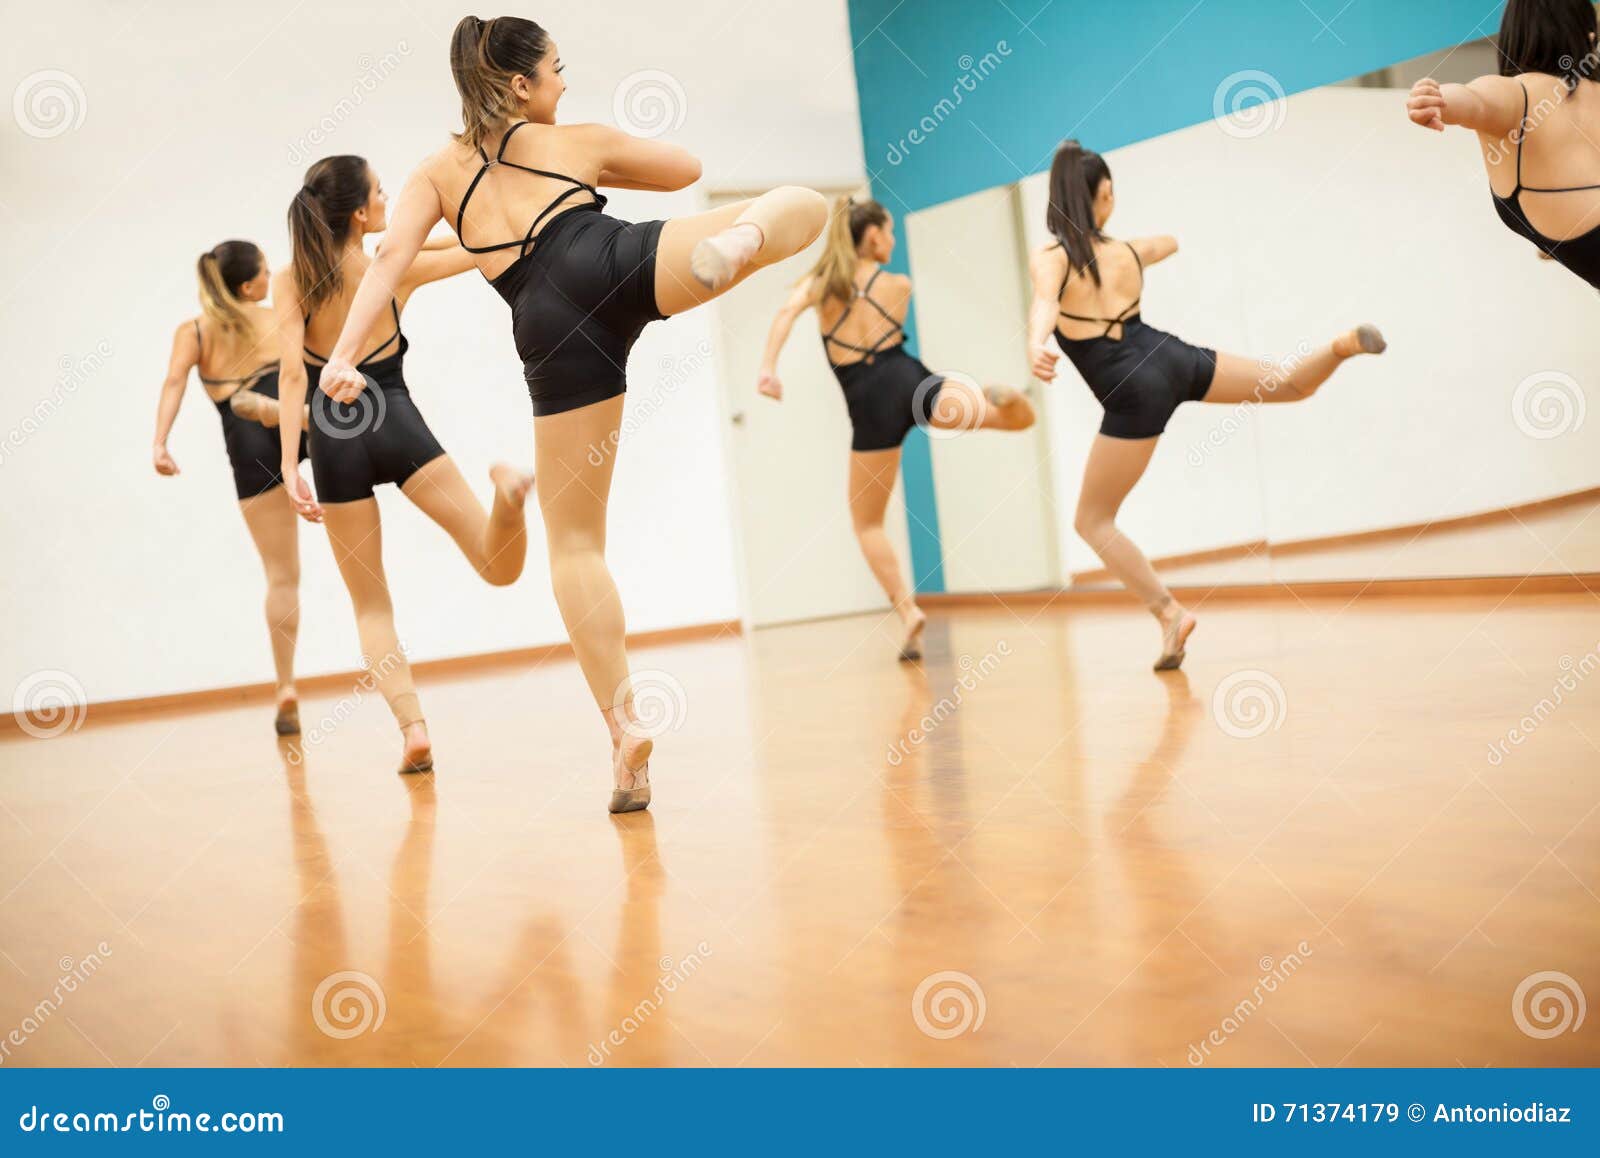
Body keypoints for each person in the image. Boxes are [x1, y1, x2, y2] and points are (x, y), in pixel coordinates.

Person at [313, 16, 828, 811]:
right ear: (520, 85)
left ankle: (625, 736)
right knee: (804, 206)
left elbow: (389, 263)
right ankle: (745, 239)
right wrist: (588, 150)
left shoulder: (434, 174)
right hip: (614, 259)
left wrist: (344, 357)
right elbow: (685, 166)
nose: (564, 82)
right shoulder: (574, 140)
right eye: (556, 70)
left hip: (546, 327)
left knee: (578, 544)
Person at [1027, 141, 1386, 670]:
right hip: (1170, 357)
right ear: (1101, 194)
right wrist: (1147, 245)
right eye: (1110, 193)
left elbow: (1044, 304)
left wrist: (1037, 343)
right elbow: (1166, 243)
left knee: (1093, 520)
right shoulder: (1127, 251)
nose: (1114, 200)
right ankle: (1338, 347)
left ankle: (1169, 613)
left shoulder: (1051, 259)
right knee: (1288, 385)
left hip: (1132, 389)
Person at [274, 154, 535, 775]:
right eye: (381, 191)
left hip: (333, 434)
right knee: (497, 566)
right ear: (360, 213)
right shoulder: (394, 264)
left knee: (371, 605)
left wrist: (290, 465)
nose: (390, 197)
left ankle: (413, 729)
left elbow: (290, 375)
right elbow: (479, 247)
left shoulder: (291, 279)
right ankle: (507, 494)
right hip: (392, 413)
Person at [756, 195, 1035, 660]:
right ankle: (1010, 403)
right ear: (872, 236)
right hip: (910, 384)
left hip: (867, 404)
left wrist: (768, 368)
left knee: (866, 523)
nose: (892, 238)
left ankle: (908, 612)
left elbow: (785, 314)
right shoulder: (899, 284)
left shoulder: (821, 284)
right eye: (888, 230)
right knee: (1002, 422)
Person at [151, 240, 307, 734]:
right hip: (297, 422)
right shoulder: (276, 313)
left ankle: (285, 684)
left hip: (248, 445)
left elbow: (173, 382)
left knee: (282, 576)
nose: (269, 277)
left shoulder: (193, 331)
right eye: (264, 271)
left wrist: (160, 443)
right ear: (248, 284)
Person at [1406, 0, 1600, 288]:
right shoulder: (1537, 96)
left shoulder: (1520, 94)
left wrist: (1436, 99)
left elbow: (1475, 101)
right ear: (1588, 36)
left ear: (1512, 36)